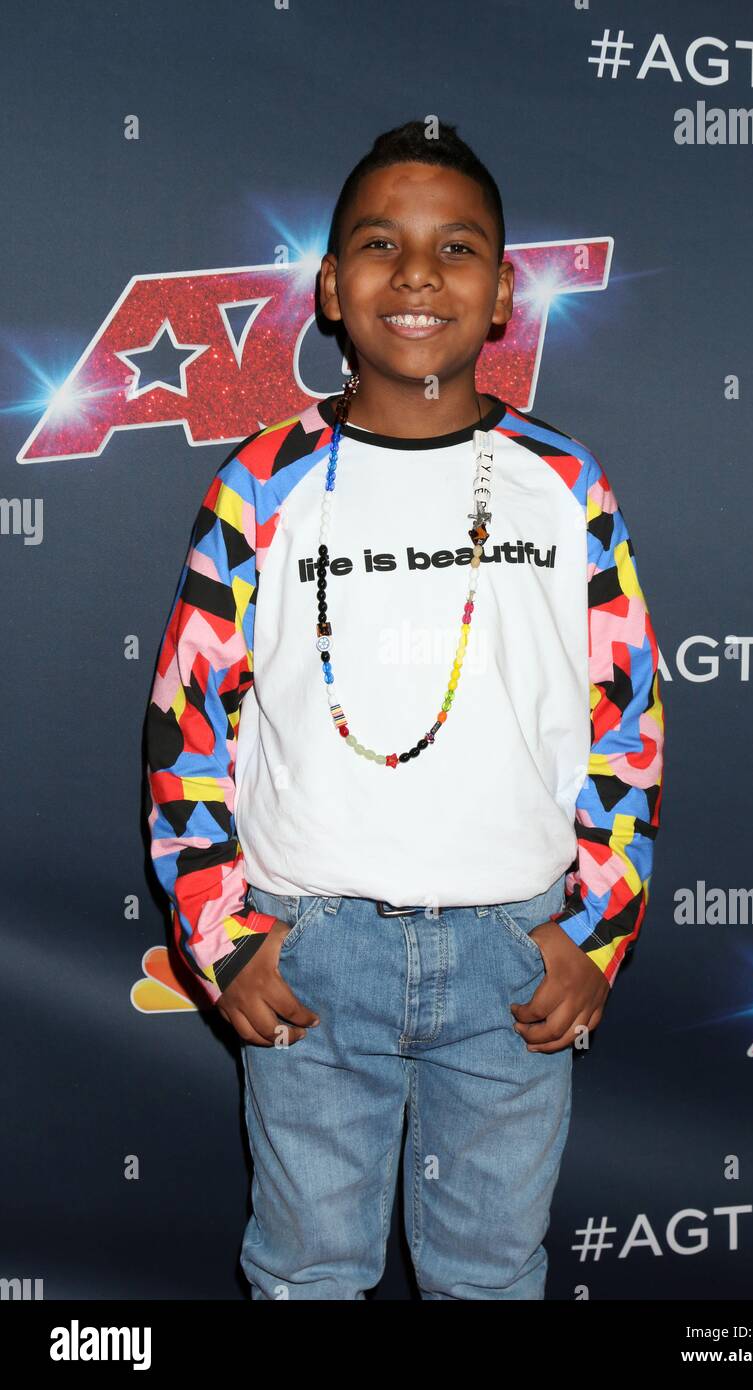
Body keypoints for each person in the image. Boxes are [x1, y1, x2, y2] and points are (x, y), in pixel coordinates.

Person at [144, 118, 665, 1300]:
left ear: (500, 301)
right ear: (329, 288)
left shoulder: (565, 483)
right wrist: (224, 939)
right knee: (307, 1270)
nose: (418, 273)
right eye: (380, 244)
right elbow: (188, 728)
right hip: (308, 952)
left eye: (456, 248)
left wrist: (597, 932)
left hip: (514, 960)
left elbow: (624, 721)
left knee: (489, 1271)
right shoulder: (259, 481)